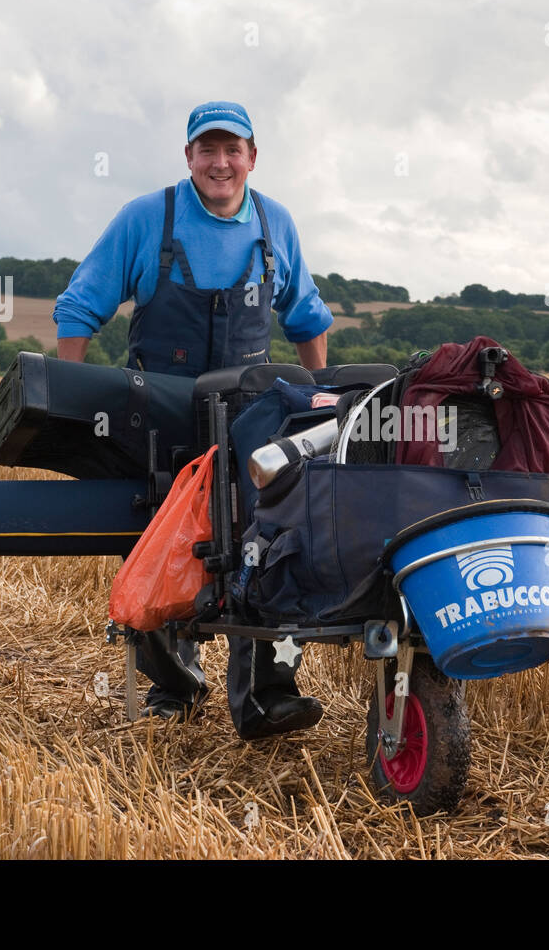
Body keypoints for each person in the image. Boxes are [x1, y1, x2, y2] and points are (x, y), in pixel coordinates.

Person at [51, 101, 333, 739]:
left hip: (251, 415)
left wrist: (319, 396)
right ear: (188, 158)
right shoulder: (146, 219)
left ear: (252, 158)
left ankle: (266, 695)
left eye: (233, 149)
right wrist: (66, 396)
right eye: (208, 149)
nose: (221, 162)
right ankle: (174, 686)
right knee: (159, 539)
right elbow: (79, 306)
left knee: (271, 542)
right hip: (161, 411)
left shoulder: (275, 223)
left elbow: (308, 318)